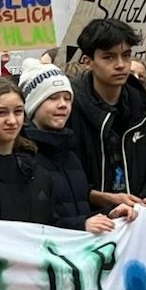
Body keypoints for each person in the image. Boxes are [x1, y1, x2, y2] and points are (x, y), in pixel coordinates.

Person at [0, 77, 120, 231]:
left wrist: (109, 216)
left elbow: (50, 225)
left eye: (18, 112)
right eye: (1, 113)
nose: (12, 121)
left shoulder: (34, 169)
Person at [68, 17, 146, 212]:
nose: (120, 65)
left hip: (135, 219)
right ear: (88, 62)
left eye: (126, 55)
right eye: (109, 57)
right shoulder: (69, 109)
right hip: (89, 221)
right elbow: (59, 174)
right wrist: (98, 197)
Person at [19, 59, 104, 229]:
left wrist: (111, 213)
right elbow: (35, 223)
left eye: (67, 98)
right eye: (53, 98)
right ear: (33, 105)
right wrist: (81, 224)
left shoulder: (70, 154)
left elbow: (78, 210)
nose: (63, 105)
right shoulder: (23, 156)